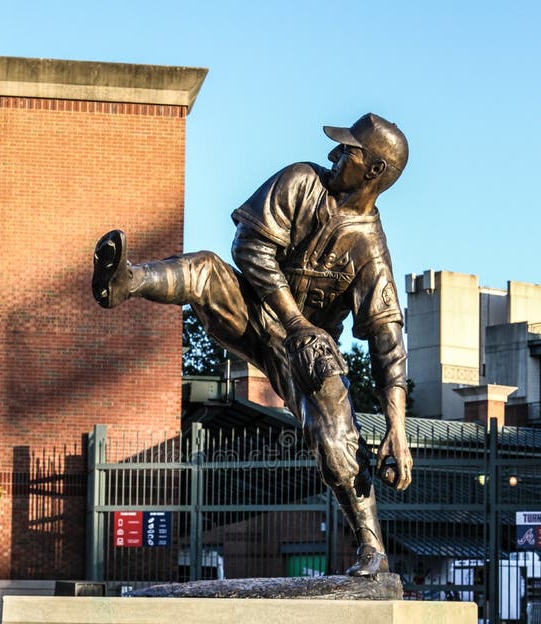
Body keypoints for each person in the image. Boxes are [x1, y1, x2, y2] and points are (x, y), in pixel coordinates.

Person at [92, 112, 413, 576]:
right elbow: (249, 248)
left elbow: (388, 340)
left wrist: (398, 430)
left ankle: (372, 550)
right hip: (256, 309)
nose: (333, 154)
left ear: (374, 170)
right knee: (204, 269)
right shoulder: (302, 181)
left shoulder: (370, 249)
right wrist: (295, 321)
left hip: (308, 351)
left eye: (348, 150)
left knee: (336, 434)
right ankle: (128, 280)